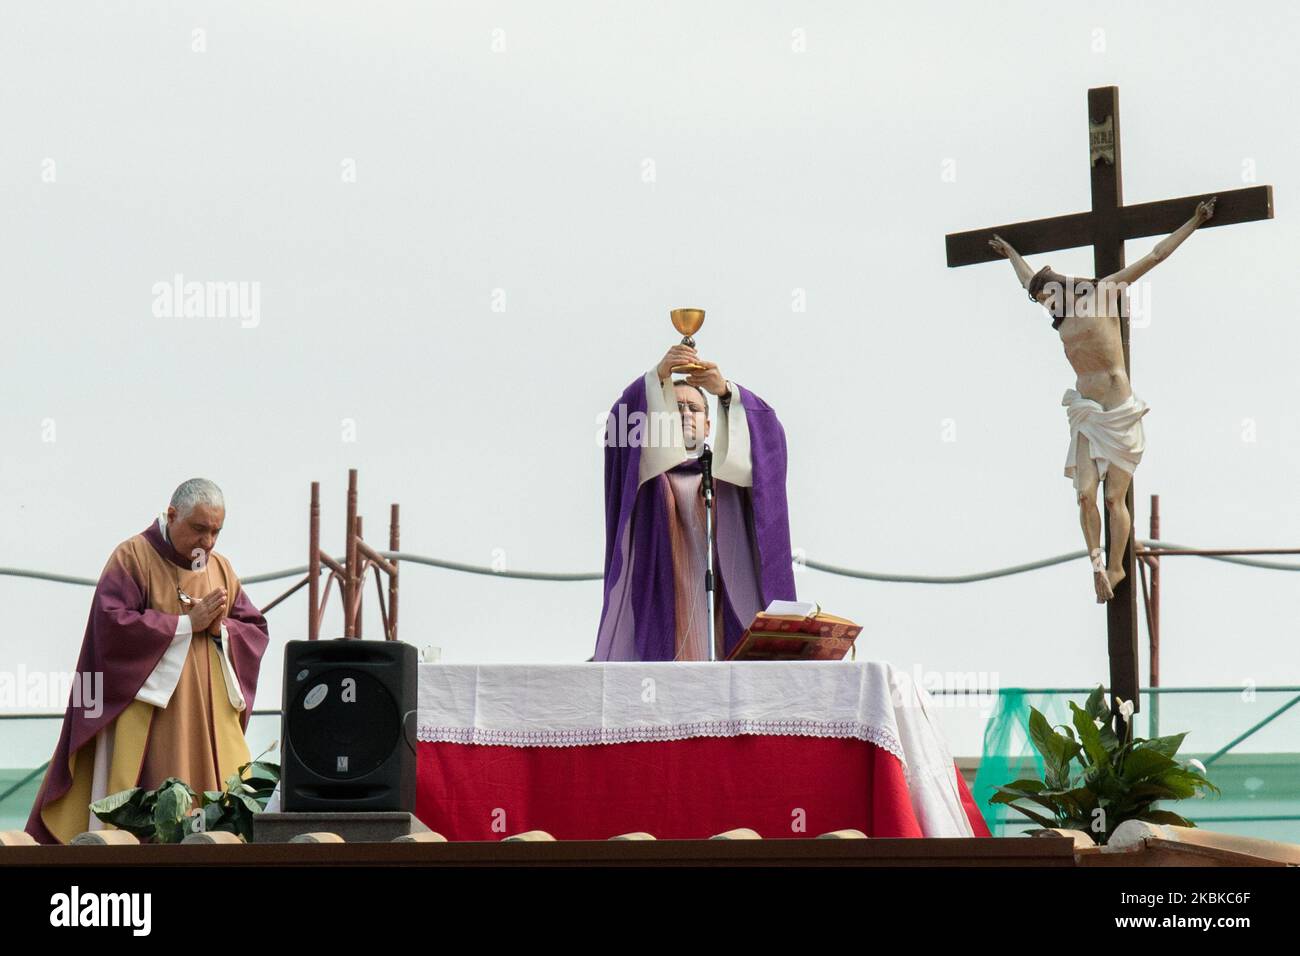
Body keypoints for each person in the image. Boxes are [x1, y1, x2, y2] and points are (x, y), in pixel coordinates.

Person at [988, 197, 1215, 601]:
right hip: (1088, 413)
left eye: (1047, 296)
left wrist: (1194, 221)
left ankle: (1117, 568)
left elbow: (1155, 256)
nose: (1045, 303)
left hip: (1120, 411)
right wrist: (1010, 253)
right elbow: (1026, 279)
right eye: (1041, 300)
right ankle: (1096, 564)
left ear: (1062, 286)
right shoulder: (1059, 319)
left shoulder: (1103, 293)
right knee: (1084, 494)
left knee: (1114, 498)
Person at [26, 478, 269, 843]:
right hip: (148, 720)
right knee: (145, 823)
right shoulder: (132, 557)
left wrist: (222, 631)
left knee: (218, 820)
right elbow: (110, 627)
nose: (208, 542)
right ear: (172, 516)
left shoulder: (221, 570)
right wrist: (187, 624)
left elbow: (255, 628)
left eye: (216, 531)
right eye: (199, 529)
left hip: (207, 719)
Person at [595, 344, 796, 660]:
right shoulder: (647, 478)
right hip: (662, 605)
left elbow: (769, 444)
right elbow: (618, 430)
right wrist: (657, 375)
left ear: (708, 424)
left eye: (694, 408)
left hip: (723, 611)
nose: (685, 414)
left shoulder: (728, 476)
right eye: (675, 407)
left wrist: (726, 392)